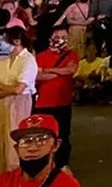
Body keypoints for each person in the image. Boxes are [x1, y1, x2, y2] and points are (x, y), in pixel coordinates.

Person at [0, 27, 37, 182]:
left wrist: (2, 87)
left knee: (14, 142)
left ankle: (17, 181)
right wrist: (6, 89)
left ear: (16, 41)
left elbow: (19, 89)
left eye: (5, 41)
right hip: (0, 103)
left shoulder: (28, 60)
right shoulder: (3, 61)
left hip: (19, 105)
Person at [33, 26, 78, 169]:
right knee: (42, 135)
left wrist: (48, 70)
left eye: (64, 36)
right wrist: (59, 72)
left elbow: (71, 70)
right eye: (57, 36)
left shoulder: (71, 55)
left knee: (63, 135)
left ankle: (62, 164)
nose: (61, 39)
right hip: (43, 103)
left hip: (63, 102)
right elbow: (36, 75)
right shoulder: (40, 56)